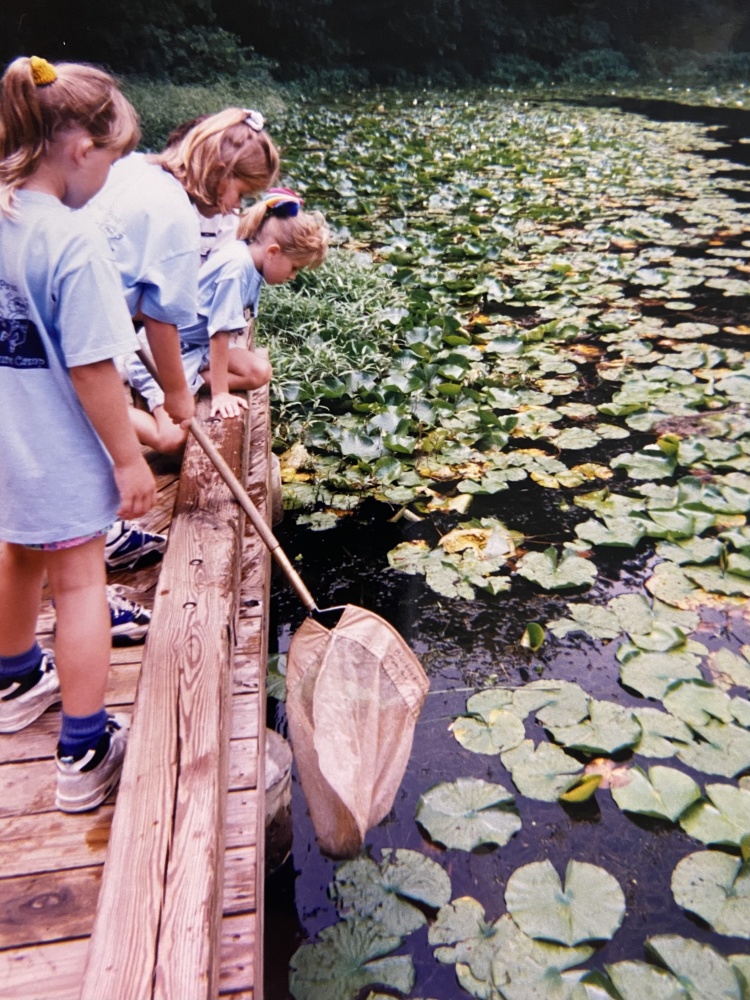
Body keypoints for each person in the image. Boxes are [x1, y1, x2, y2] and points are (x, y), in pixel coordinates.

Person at [0, 55, 156, 811]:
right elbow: (94, 371)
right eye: (114, 159)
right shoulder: (72, 240)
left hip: (5, 444)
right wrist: (129, 461)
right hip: (59, 451)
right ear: (80, 149)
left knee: (17, 552)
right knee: (81, 580)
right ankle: (85, 748)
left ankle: (15, 677)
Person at [126, 189, 330, 454]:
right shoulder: (237, 268)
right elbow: (219, 334)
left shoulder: (248, 258)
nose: (293, 276)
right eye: (294, 268)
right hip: (162, 353)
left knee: (259, 372)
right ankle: (110, 412)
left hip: (195, 349)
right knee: (171, 441)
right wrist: (221, 393)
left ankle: (193, 382)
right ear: (273, 252)